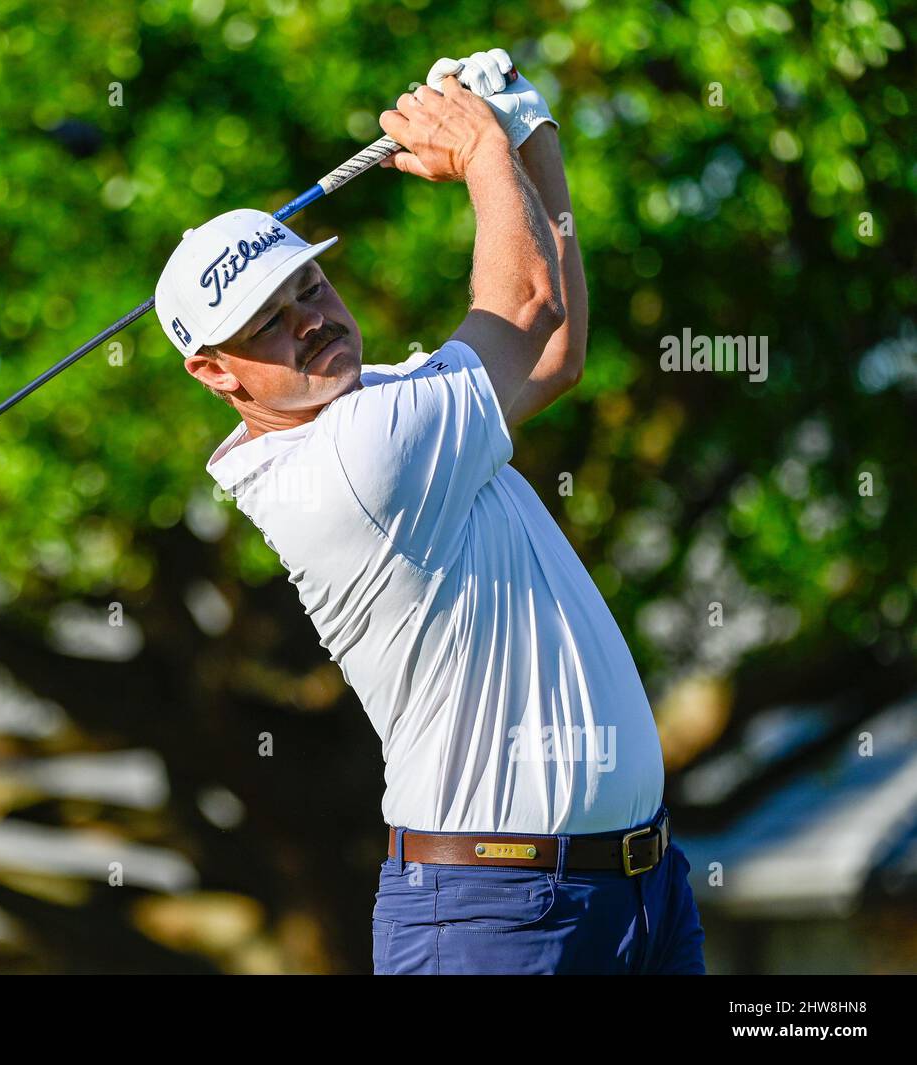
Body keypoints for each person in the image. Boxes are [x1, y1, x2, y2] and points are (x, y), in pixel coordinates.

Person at [154, 49, 705, 975]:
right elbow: (527, 305)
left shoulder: (387, 404)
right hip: (497, 919)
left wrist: (530, 138)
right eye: (269, 323)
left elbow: (556, 348)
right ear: (213, 370)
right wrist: (486, 146)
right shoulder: (357, 458)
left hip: (636, 891)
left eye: (310, 287)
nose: (312, 320)